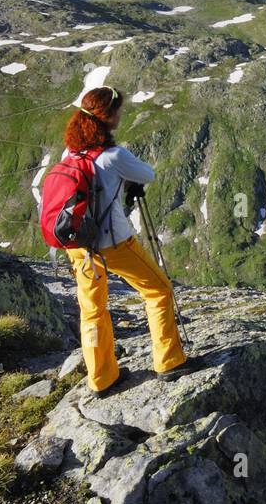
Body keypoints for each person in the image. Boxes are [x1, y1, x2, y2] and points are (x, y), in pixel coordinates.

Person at [62, 85, 186, 395]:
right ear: (109, 116)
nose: (121, 114)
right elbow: (147, 175)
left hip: (78, 246)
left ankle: (101, 378)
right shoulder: (114, 156)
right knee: (158, 290)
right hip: (113, 244)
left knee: (92, 310)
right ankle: (168, 361)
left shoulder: (70, 154)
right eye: (118, 110)